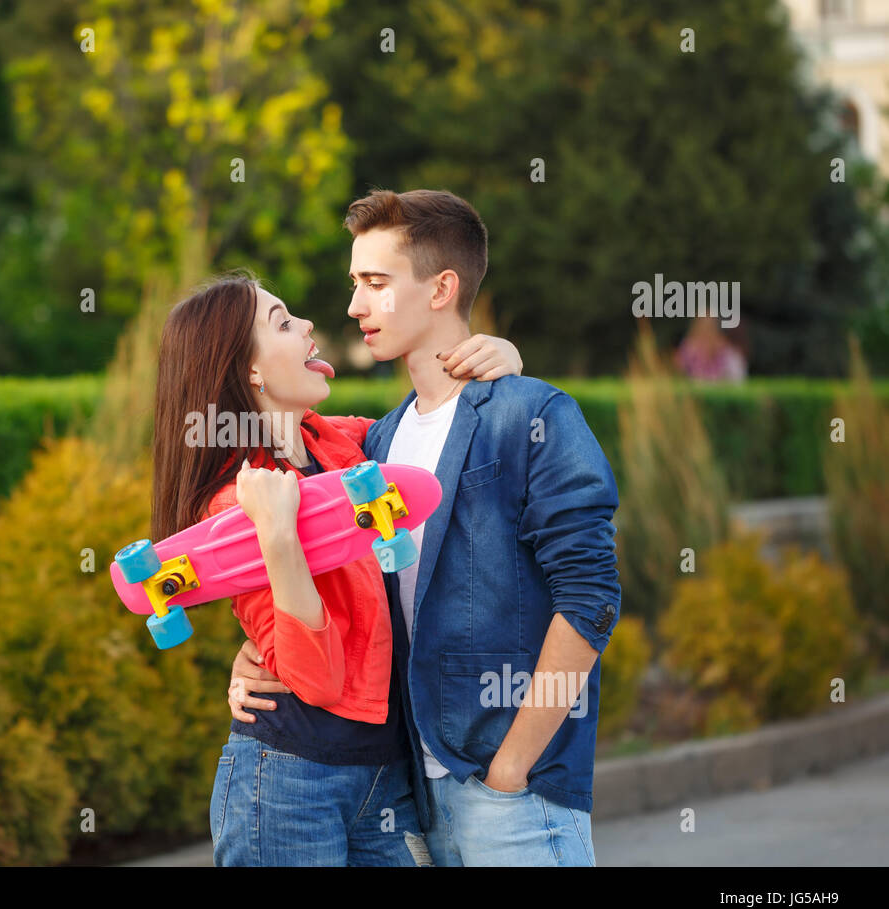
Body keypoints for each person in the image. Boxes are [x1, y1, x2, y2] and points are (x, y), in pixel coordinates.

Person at [229, 189, 621, 866]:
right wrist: (254, 657)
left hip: (515, 804)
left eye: (376, 284)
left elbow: (590, 601)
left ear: (442, 288)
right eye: (355, 284)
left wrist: (511, 772)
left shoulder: (532, 415)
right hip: (415, 804)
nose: (354, 307)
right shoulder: (374, 449)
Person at [151, 269, 523, 866]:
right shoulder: (233, 507)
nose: (307, 326)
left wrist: (502, 360)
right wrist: (276, 534)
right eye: (282, 322)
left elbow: (437, 437)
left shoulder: (341, 446)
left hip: (384, 773)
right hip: (289, 784)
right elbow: (317, 681)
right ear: (249, 370)